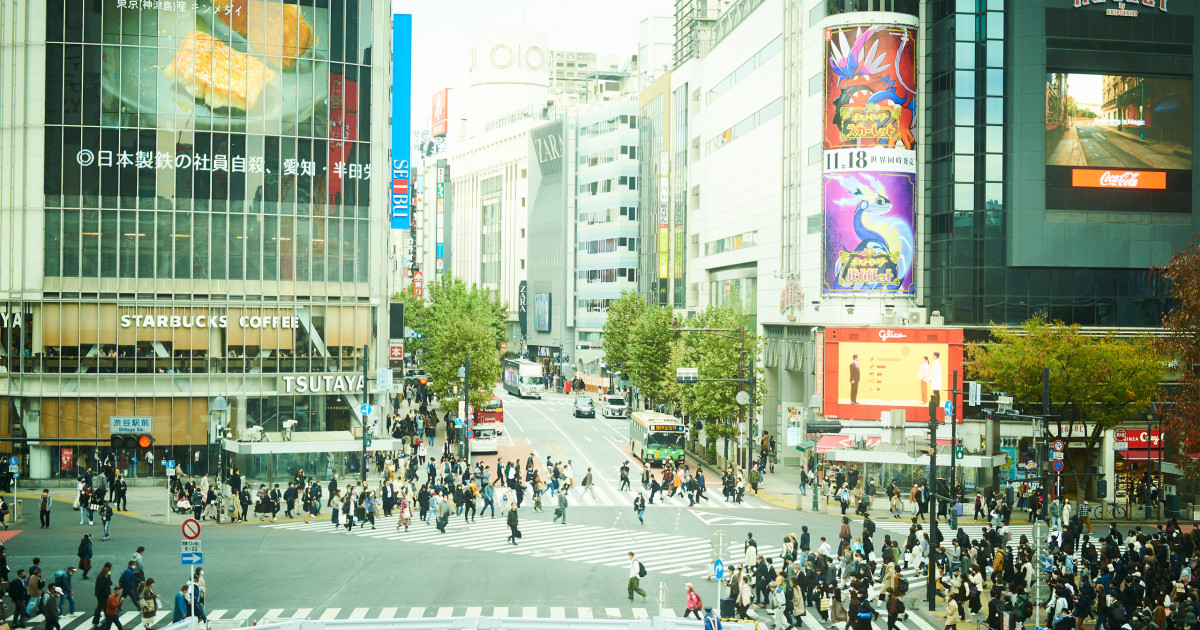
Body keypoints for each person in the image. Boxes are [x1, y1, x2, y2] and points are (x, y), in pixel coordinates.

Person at [90, 563, 113, 629]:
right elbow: (109, 584)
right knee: (105, 607)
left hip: (100, 595)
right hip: (103, 596)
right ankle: (107, 619)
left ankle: (95, 620)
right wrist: (109, 577)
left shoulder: (101, 576)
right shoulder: (103, 578)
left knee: (100, 607)